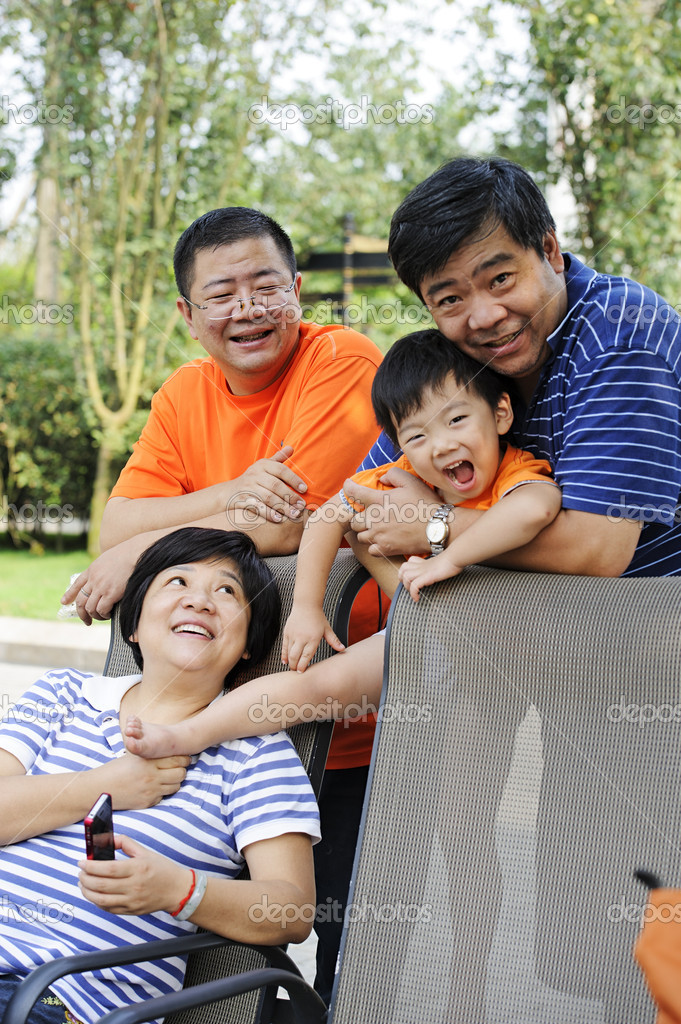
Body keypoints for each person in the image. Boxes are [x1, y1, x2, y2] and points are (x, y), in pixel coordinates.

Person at [59, 207, 384, 1004]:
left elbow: (290, 520)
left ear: (297, 290)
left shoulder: (342, 359)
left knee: (350, 955)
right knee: (199, 952)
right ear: (188, 315)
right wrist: (228, 496)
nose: (247, 307)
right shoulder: (183, 393)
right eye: (222, 292)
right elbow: (115, 522)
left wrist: (144, 549)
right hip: (201, 737)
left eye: (265, 284)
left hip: (353, 724)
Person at [122, 330, 560, 761]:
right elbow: (329, 515)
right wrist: (308, 607)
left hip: (509, 638)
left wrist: (445, 557)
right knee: (317, 685)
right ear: (399, 444)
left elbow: (535, 510)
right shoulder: (406, 473)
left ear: (501, 414)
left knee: (468, 764)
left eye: (457, 419)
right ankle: (185, 736)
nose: (442, 445)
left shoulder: (514, 472)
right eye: (417, 436)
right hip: (427, 632)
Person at [0, 528, 320, 1024]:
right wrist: (105, 786)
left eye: (227, 591)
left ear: (246, 649)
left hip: (60, 1003)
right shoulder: (62, 695)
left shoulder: (254, 753)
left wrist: (180, 891)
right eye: (177, 581)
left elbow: (291, 911)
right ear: (133, 625)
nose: (200, 601)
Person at [345, 156, 681, 579]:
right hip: (503, 624)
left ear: (549, 251)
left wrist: (435, 527)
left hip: (641, 625)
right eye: (450, 299)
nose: (484, 317)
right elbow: (367, 506)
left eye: (500, 278)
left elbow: (598, 548)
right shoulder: (458, 356)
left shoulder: (621, 335)